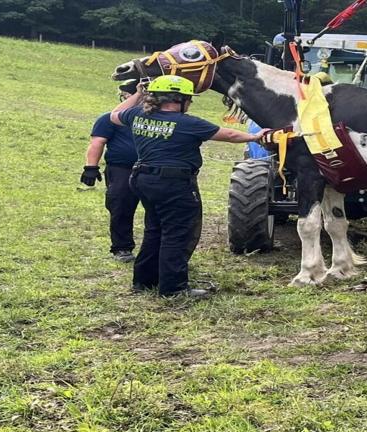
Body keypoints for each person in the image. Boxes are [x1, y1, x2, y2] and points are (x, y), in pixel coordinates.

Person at [111, 75, 269, 299]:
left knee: (154, 230)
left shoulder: (135, 115)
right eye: (189, 99)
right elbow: (230, 134)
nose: (190, 104)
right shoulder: (188, 123)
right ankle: (174, 288)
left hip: (143, 180)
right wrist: (255, 136)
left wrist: (137, 95)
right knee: (177, 235)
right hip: (173, 184)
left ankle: (143, 281)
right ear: (179, 99)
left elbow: (112, 115)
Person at [83, 79, 143, 261]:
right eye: (123, 96)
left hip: (151, 169)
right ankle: (122, 248)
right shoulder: (109, 118)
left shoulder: (158, 118)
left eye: (126, 95)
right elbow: (97, 142)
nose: (124, 99)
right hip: (121, 169)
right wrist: (91, 167)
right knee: (120, 207)